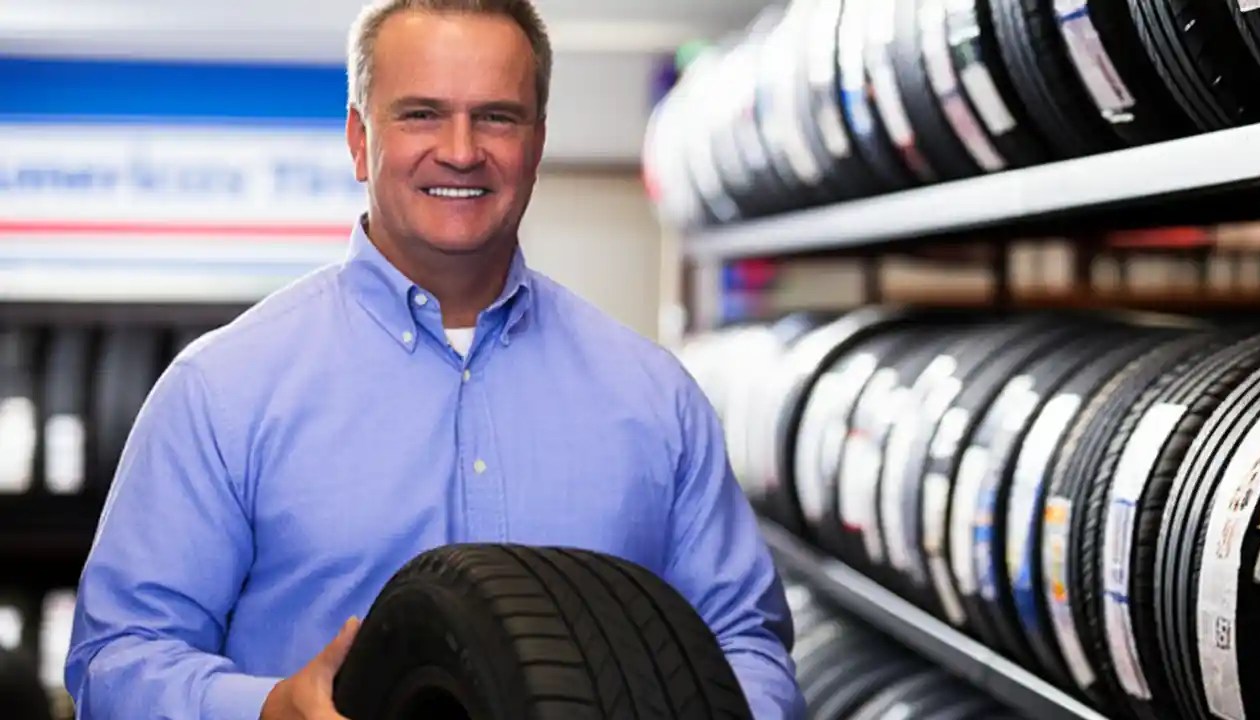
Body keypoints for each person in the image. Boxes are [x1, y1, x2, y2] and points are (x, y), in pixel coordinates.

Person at [63, 1, 803, 718]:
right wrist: (266, 710)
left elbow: (744, 640)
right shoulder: (221, 392)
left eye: (497, 117)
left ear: (537, 143)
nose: (460, 149)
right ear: (359, 140)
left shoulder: (657, 398)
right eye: (421, 113)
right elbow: (117, 659)